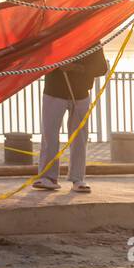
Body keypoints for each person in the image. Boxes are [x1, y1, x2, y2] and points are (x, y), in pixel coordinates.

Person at [33, 49, 108, 194]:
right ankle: (48, 177)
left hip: (80, 94)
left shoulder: (92, 38)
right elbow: (41, 58)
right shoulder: (56, 36)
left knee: (79, 137)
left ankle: (77, 178)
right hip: (54, 91)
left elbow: (101, 68)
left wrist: (75, 67)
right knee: (50, 135)